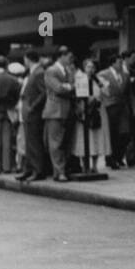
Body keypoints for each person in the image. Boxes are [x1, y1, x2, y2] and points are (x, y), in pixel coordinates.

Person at [43, 48, 76, 183]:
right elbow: (58, 88)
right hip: (55, 111)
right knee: (55, 142)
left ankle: (60, 170)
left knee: (65, 142)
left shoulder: (68, 70)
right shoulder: (51, 71)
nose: (71, 59)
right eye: (69, 56)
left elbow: (71, 86)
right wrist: (70, 87)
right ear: (61, 56)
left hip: (67, 110)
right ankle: (60, 171)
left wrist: (68, 86)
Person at [16, 51, 48, 182]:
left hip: (33, 112)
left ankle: (37, 170)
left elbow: (43, 92)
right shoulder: (32, 72)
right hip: (27, 111)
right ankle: (29, 169)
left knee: (34, 142)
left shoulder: (38, 72)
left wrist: (33, 106)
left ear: (27, 59)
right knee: (29, 142)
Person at [74, 57, 108, 173]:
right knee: (83, 140)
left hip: (96, 112)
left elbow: (107, 93)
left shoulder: (99, 79)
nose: (91, 69)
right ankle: (84, 165)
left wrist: (100, 86)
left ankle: (94, 165)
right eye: (88, 67)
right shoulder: (79, 79)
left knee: (95, 140)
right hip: (84, 112)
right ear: (84, 68)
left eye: (93, 67)